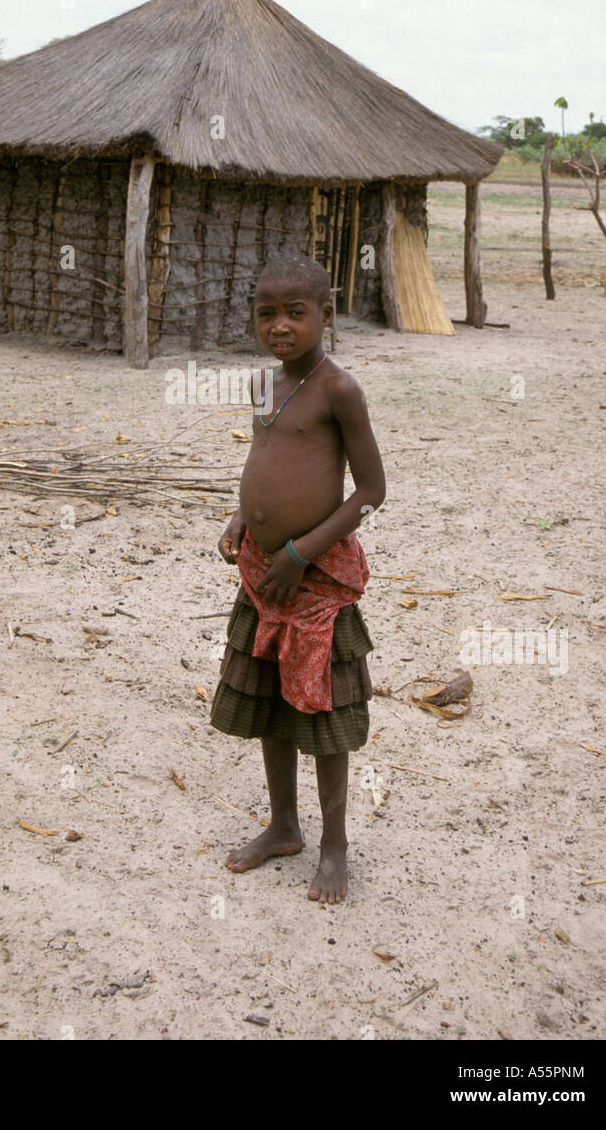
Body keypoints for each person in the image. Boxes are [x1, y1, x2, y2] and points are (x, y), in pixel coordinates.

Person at [210, 253, 386, 903]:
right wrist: (239, 517)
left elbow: (370, 491)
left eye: (295, 312)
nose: (279, 326)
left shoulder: (338, 389)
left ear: (325, 316)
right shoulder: (262, 384)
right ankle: (283, 825)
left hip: (309, 579)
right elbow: (265, 459)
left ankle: (334, 846)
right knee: (269, 705)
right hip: (262, 574)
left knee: (322, 713)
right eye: (266, 313)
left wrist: (301, 553)